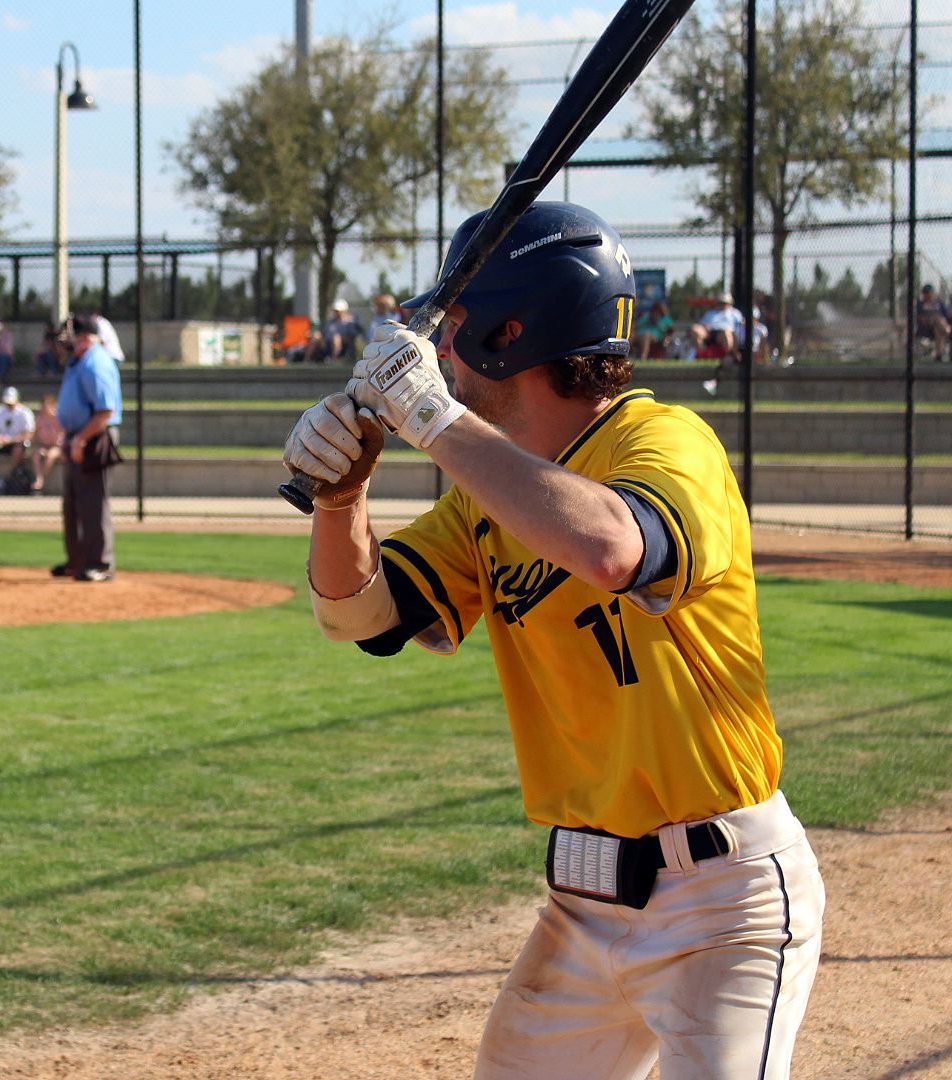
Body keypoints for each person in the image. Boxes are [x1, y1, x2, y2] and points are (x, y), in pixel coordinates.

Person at [284, 201, 823, 1080]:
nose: (441, 352)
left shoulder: (666, 440)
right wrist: (343, 502)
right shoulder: (482, 494)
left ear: (510, 331)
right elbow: (360, 616)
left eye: (455, 328)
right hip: (582, 904)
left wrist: (431, 416)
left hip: (723, 905)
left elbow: (613, 548)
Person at [55, 313, 123, 582]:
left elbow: (105, 411)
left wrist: (81, 439)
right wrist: (68, 437)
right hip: (77, 435)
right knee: (73, 504)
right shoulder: (77, 361)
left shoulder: (96, 363)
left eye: (71, 334)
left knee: (93, 503)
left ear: (85, 337)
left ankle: (101, 563)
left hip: (94, 437)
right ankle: (78, 561)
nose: (65, 340)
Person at [0, 385, 36, 487]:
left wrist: (11, 440)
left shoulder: (25, 413)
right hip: (0, 444)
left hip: (15, 444)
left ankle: (9, 478)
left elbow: (29, 434)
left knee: (18, 449)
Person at [31, 392, 65, 493]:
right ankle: (39, 478)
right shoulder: (39, 418)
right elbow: (35, 434)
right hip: (44, 445)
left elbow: (64, 433)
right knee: (36, 455)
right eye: (43, 405)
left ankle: (41, 480)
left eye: (47, 405)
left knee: (50, 455)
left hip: (57, 446)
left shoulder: (58, 418)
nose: (45, 408)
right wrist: (31, 446)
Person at [916, 284, 952, 361]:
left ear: (933, 293)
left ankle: (939, 356)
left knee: (938, 330)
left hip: (937, 326)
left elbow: (947, 314)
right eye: (925, 293)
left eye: (929, 292)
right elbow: (918, 316)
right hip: (926, 326)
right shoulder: (921, 303)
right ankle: (947, 331)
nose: (928, 295)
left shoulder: (939, 303)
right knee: (936, 318)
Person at [322, 298, 360, 363]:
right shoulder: (330, 322)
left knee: (336, 338)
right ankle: (307, 360)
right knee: (316, 336)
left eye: (338, 311)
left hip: (343, 344)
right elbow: (323, 333)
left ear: (344, 311)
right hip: (326, 343)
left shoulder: (349, 323)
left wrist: (343, 338)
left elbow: (352, 335)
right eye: (335, 311)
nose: (336, 313)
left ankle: (334, 359)